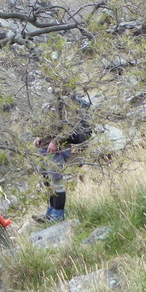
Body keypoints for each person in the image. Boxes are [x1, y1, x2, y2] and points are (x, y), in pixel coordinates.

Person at [33, 96, 91, 224]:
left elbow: (69, 128)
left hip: (58, 148)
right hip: (45, 148)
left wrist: (56, 141)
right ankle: (50, 212)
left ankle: (58, 215)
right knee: (46, 181)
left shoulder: (67, 102)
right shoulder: (53, 101)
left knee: (56, 181)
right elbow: (50, 125)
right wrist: (39, 138)